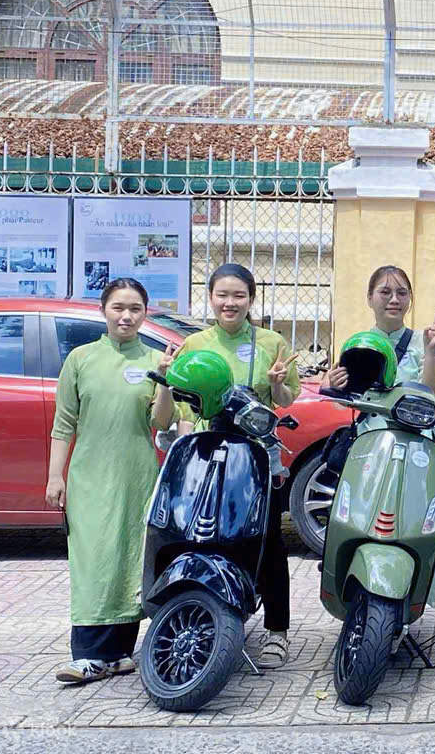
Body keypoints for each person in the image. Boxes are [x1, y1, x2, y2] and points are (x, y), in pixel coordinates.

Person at [45, 278, 178, 685]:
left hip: (138, 477)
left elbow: (161, 423)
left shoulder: (156, 359)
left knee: (129, 559)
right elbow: (64, 424)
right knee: (93, 561)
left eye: (135, 308)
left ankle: (120, 654)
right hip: (89, 479)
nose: (126, 315)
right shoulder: (81, 359)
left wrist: (164, 381)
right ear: (104, 310)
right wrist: (56, 476)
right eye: (118, 307)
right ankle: (86, 654)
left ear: (145, 313)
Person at [173, 263, 301, 667]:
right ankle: (210, 619)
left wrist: (276, 382)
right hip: (208, 455)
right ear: (210, 298)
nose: (230, 303)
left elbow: (285, 401)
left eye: (239, 296)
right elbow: (183, 408)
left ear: (251, 300)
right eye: (222, 295)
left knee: (266, 540)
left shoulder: (271, 341)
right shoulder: (194, 344)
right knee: (206, 536)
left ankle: (277, 632)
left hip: (257, 456)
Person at [325, 264, 435, 398]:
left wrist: (430, 351)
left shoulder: (423, 342)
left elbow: (432, 396)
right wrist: (336, 387)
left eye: (402, 293)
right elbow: (345, 404)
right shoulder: (358, 345)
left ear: (410, 298)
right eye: (385, 292)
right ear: (369, 298)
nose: (395, 300)